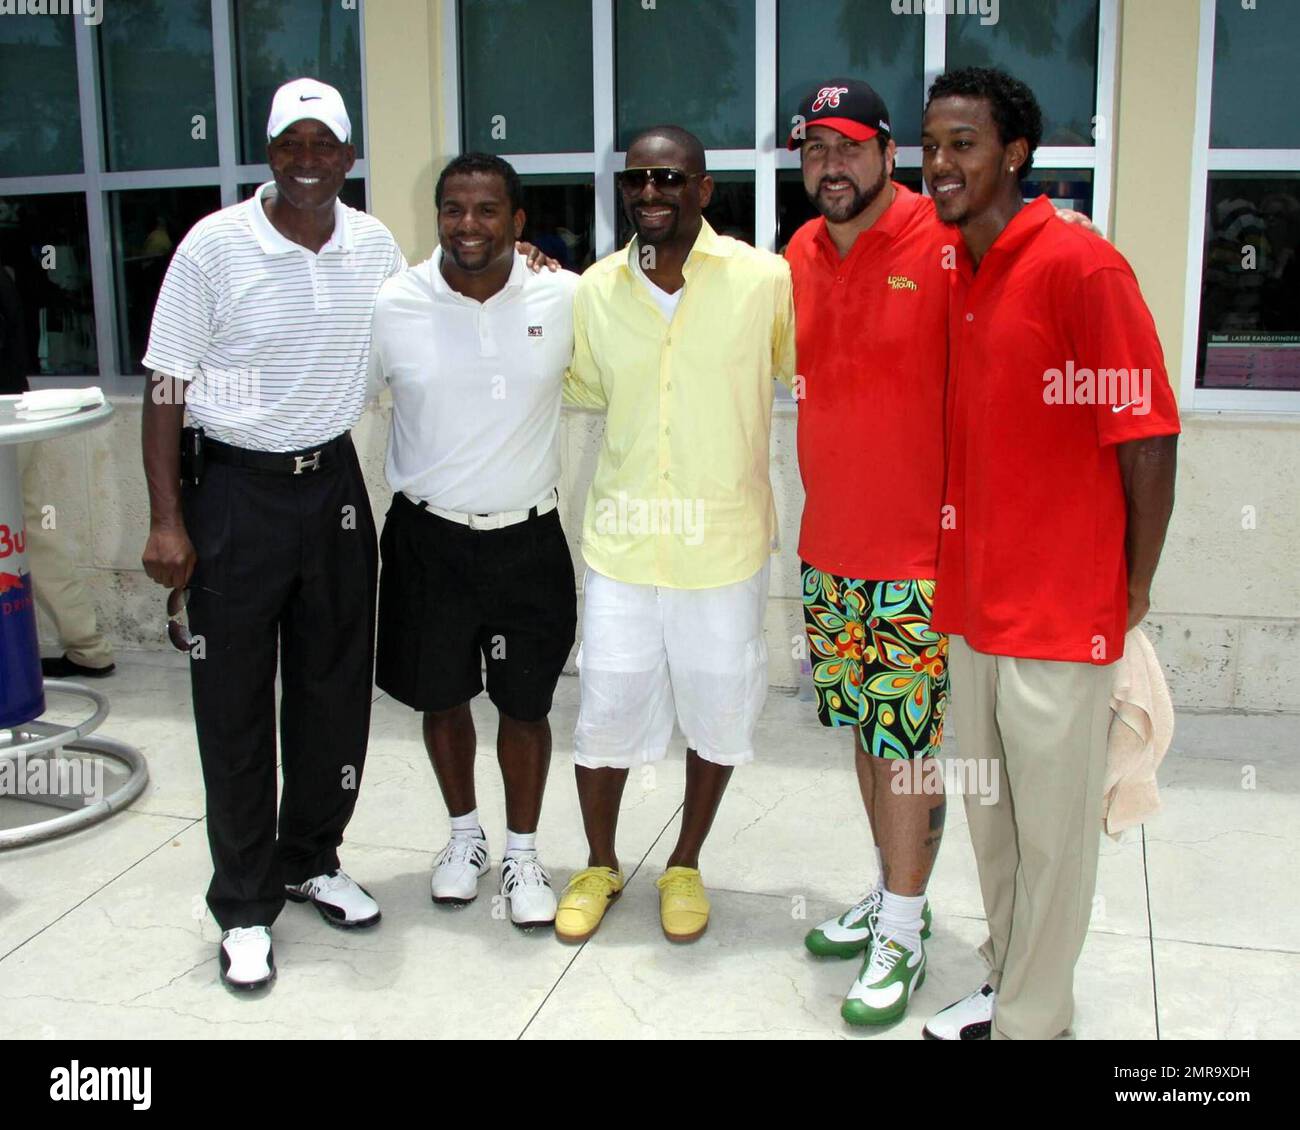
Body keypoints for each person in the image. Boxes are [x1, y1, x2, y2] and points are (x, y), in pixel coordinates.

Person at [919, 67, 1179, 1040]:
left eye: (962, 145)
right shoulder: (959, 270)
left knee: (1055, 836)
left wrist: (1131, 585)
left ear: (1014, 154)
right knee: (993, 822)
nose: (939, 164)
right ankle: (1006, 976)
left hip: (1061, 616)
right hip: (974, 608)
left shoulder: (1079, 266)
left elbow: (1148, 433)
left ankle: (1033, 1020)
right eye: (931, 145)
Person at [140, 78, 403, 992]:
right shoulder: (214, 247)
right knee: (236, 708)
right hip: (234, 495)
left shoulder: (374, 246)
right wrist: (168, 519)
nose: (304, 160)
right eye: (287, 145)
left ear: (347, 155)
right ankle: (245, 904)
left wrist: (525, 261)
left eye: (320, 144)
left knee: (335, 694)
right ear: (268, 155)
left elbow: (432, 313)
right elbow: (166, 388)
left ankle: (310, 858)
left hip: (330, 485)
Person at [557, 126, 795, 944]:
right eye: (636, 180)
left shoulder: (766, 282)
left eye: (668, 177)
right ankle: (599, 863)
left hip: (722, 546)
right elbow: (580, 386)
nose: (649, 192)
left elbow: (814, 374)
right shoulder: (592, 290)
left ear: (703, 188)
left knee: (718, 712)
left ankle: (686, 861)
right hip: (621, 546)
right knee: (605, 710)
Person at [367, 153, 579, 929]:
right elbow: (346, 394)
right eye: (454, 209)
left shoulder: (562, 295)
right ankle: (465, 839)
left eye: (488, 210)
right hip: (428, 538)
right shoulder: (393, 303)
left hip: (528, 537)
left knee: (526, 705)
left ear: (518, 223)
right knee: (442, 695)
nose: (469, 225)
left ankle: (524, 853)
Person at [782, 80, 948, 1026]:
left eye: (848, 148)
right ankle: (894, 895)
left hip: (916, 559)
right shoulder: (799, 253)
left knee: (911, 748)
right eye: (814, 150)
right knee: (865, 732)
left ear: (889, 152)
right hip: (829, 550)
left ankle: (906, 927)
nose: (830, 167)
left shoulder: (943, 243)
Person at [1, 255, 115, 679]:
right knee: (27, 536)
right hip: (14, 417)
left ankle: (87, 644)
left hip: (5, 423)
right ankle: (87, 644)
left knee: (24, 535)